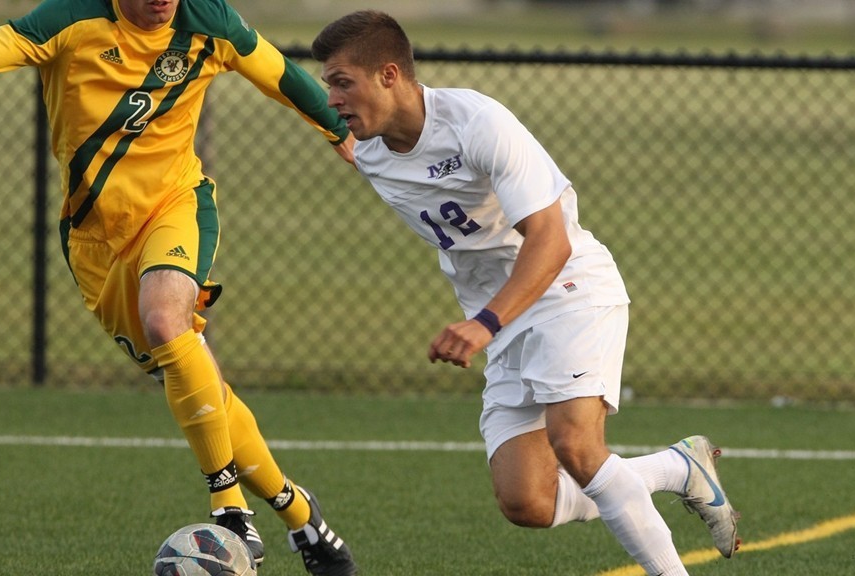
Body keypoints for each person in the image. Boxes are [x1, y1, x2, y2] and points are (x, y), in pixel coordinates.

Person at [311, 10, 740, 576]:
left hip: (567, 289)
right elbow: (284, 82)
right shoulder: (368, 150)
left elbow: (550, 240)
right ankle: (677, 469)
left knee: (576, 445)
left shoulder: (477, 123)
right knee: (527, 501)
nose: (333, 99)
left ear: (389, 75)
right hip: (502, 318)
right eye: (327, 86)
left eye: (343, 82)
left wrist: (483, 324)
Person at [0, 1, 357, 574]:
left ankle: (229, 506)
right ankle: (300, 514)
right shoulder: (71, 19)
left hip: (175, 206)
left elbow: (279, 73)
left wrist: (343, 131)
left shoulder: (208, 21)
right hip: (93, 242)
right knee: (195, 379)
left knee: (166, 321)